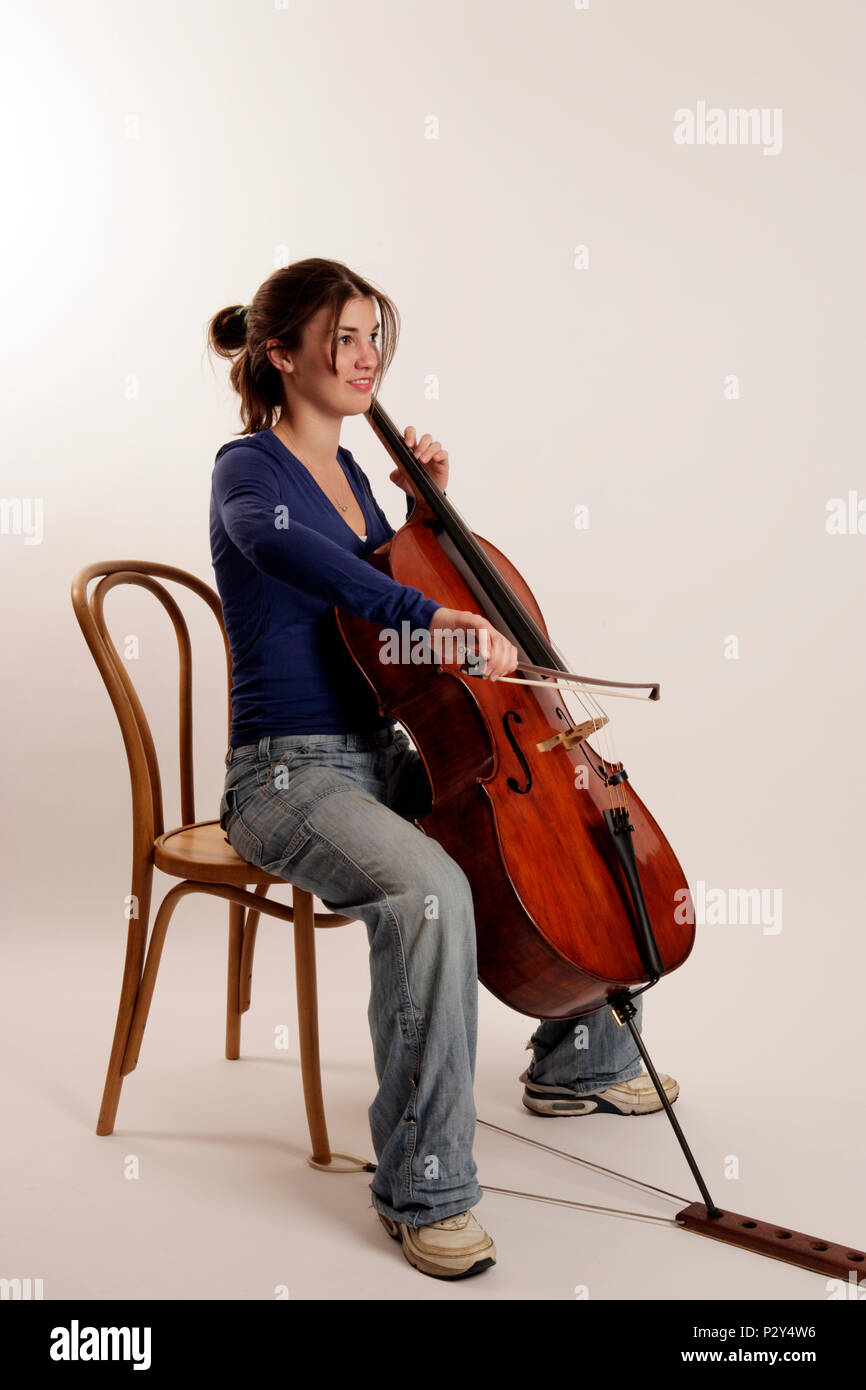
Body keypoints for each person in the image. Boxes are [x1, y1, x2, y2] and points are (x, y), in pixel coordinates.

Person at [207, 257, 679, 1281]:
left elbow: (394, 649)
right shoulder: (250, 470)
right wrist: (432, 615)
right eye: (341, 337)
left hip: (379, 759)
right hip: (284, 780)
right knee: (428, 889)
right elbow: (294, 556)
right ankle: (425, 1184)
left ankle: (576, 1058)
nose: (365, 355)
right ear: (281, 354)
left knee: (554, 834)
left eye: (375, 334)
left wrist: (424, 519)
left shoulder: (365, 493)